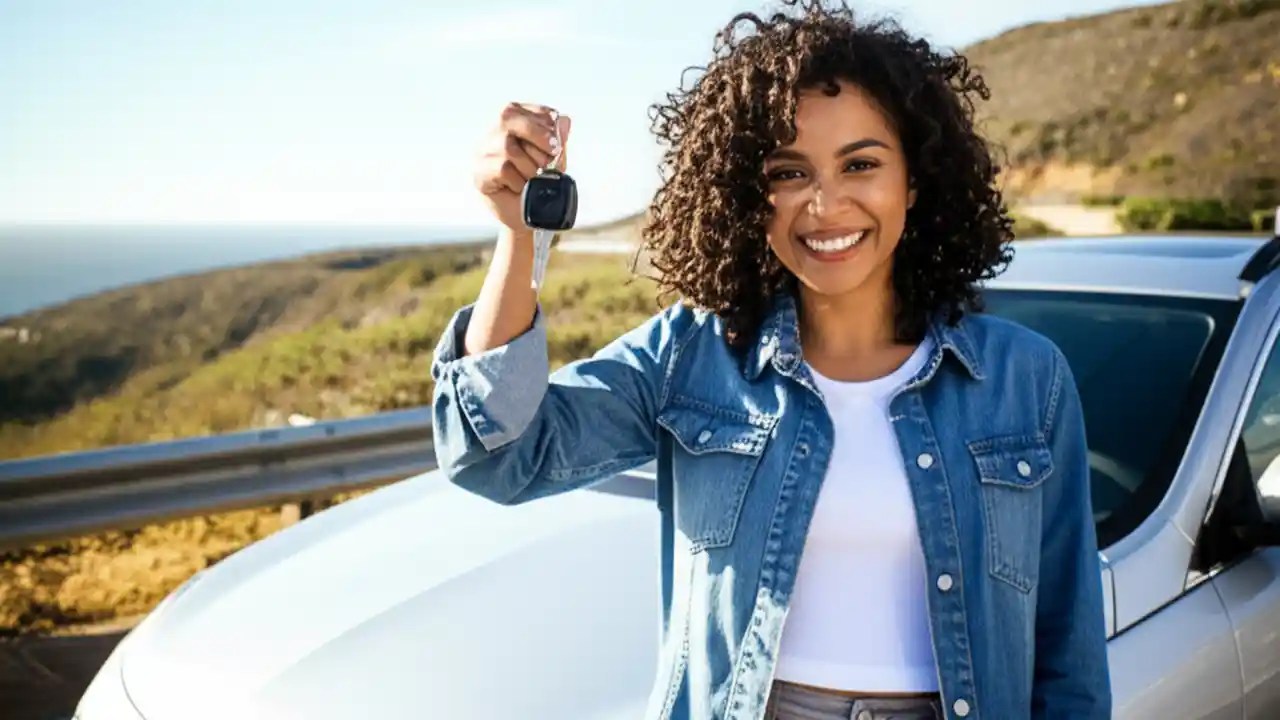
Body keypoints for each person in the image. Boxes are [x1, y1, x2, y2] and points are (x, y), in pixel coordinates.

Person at [430, 0, 1112, 718]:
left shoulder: (1025, 378)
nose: (825, 204)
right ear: (747, 197)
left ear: (914, 180)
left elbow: (1067, 650)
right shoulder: (692, 355)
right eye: (789, 172)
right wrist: (520, 238)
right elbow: (499, 457)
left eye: (861, 164)